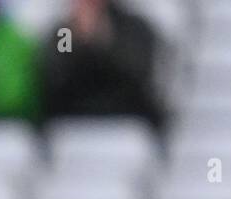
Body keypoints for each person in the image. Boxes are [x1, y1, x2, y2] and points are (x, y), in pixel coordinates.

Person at [42, 0, 165, 129]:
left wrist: (103, 41)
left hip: (125, 120)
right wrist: (81, 43)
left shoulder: (133, 27)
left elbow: (135, 76)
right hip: (76, 122)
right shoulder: (66, 32)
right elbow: (58, 78)